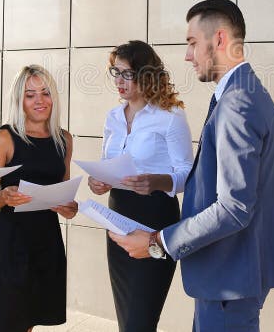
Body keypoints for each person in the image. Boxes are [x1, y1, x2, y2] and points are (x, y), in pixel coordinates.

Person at [109, 0, 274, 331]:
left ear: (219, 39)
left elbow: (234, 207)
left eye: (192, 43)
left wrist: (157, 242)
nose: (187, 55)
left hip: (229, 274)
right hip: (229, 273)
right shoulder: (240, 93)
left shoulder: (237, 104)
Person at [88, 40, 193, 331]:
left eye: (126, 74)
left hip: (155, 221)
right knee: (127, 321)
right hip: (117, 219)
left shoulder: (170, 116)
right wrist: (99, 182)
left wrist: (157, 181)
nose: (119, 81)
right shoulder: (113, 117)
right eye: (115, 72)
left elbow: (187, 173)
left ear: (145, 75)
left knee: (140, 320)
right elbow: (106, 164)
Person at [0, 64, 78, 332]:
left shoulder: (64, 140)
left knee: (29, 323)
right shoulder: (4, 139)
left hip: (47, 244)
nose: (39, 101)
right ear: (19, 100)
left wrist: (70, 208)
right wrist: (3, 196)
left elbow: (64, 193)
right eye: (30, 94)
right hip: (10, 246)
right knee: (4, 324)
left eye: (45, 93)